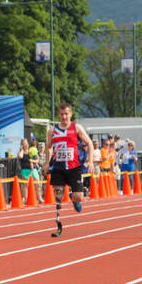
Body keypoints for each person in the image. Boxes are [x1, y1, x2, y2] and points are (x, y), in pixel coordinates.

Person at [45, 102, 97, 238]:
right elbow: (49, 147)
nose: (64, 117)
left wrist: (90, 161)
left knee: (79, 196)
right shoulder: (52, 131)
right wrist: (46, 163)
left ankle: (74, 199)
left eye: (66, 114)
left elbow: (89, 143)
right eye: (61, 114)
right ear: (58, 115)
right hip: (58, 168)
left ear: (70, 114)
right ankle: (58, 223)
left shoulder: (76, 128)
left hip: (74, 168)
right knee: (58, 196)